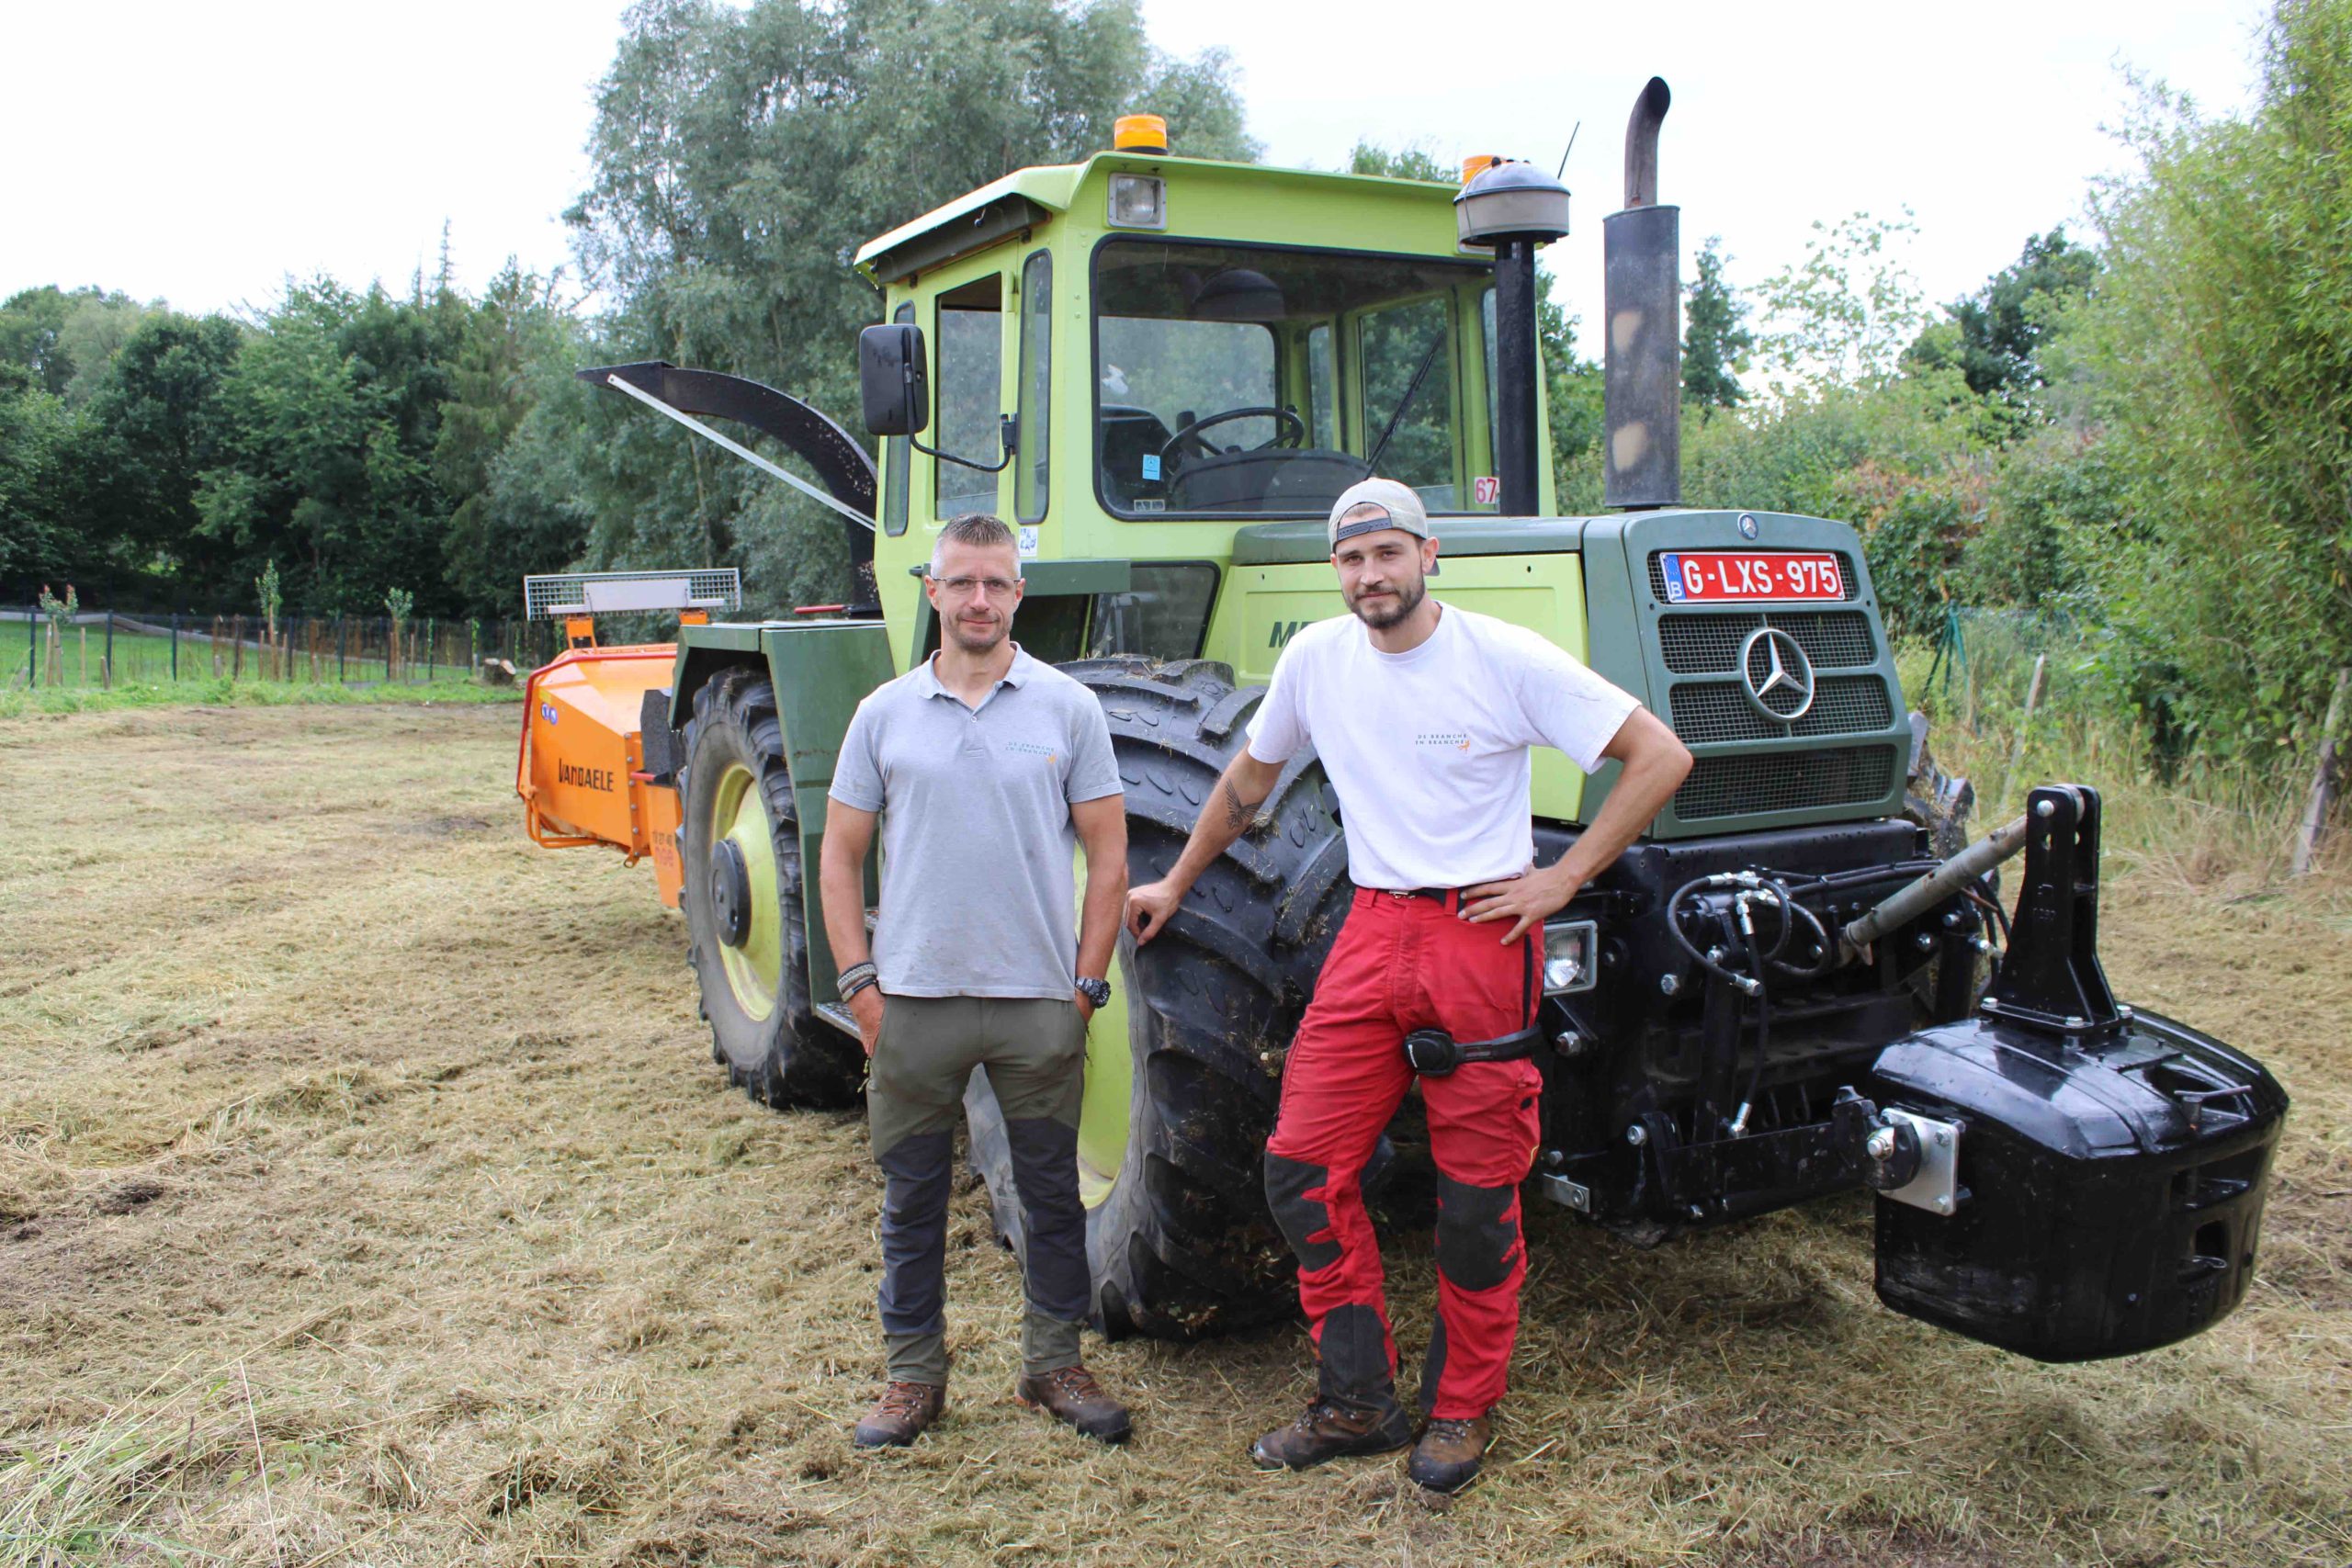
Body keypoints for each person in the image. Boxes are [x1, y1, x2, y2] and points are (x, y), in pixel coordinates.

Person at [1125, 478, 1692, 1494]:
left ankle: (1462, 1408)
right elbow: (1246, 786)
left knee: (1476, 1198)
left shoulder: (1500, 656)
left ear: (1428, 556)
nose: (1368, 576)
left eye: (1386, 554)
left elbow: (1658, 755)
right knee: (1300, 1167)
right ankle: (1358, 1400)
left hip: (1481, 930)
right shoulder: (1315, 660)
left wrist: (1564, 876)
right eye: (1349, 559)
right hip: (1371, 925)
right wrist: (1173, 878)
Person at [819, 513, 1132, 1449]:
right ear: (933, 591)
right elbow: (839, 858)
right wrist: (859, 987)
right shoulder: (883, 714)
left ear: (1017, 594)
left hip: (1038, 1002)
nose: (979, 600)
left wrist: (1083, 989)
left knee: (1048, 1197)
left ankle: (1052, 1365)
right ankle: (913, 1378)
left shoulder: (1068, 709)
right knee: (911, 1197)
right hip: (914, 1003)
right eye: (962, 583)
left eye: (995, 583)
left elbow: (1109, 860)